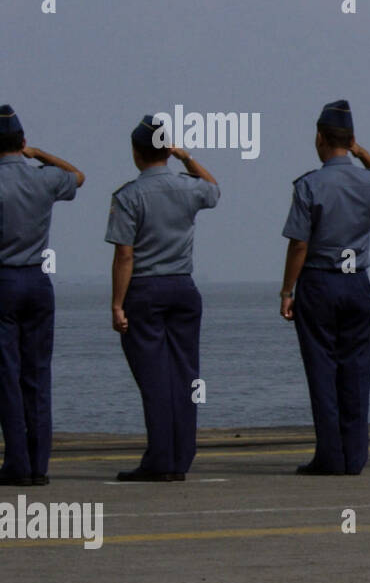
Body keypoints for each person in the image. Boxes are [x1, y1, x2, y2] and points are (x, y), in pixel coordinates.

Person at [280, 100, 370, 475]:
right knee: (357, 370)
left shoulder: (309, 185)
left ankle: (330, 455)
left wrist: (287, 291)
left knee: (322, 370)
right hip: (357, 284)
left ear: (319, 138)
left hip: (318, 282)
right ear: (350, 140)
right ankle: (355, 455)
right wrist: (362, 154)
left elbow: (299, 243)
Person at [106, 115, 219, 481]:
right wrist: (187, 159)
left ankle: (160, 459)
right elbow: (213, 188)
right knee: (185, 376)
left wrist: (117, 303)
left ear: (137, 153)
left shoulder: (128, 196)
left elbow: (125, 255)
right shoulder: (188, 188)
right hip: (183, 288)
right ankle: (181, 458)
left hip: (145, 290)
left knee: (154, 378)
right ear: (167, 151)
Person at [0, 105, 83, 486]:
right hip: (38, 280)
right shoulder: (43, 179)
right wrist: (40, 154)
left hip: (3, 282)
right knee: (37, 375)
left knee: (7, 376)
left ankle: (16, 463)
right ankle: (38, 464)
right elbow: (76, 177)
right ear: (23, 141)